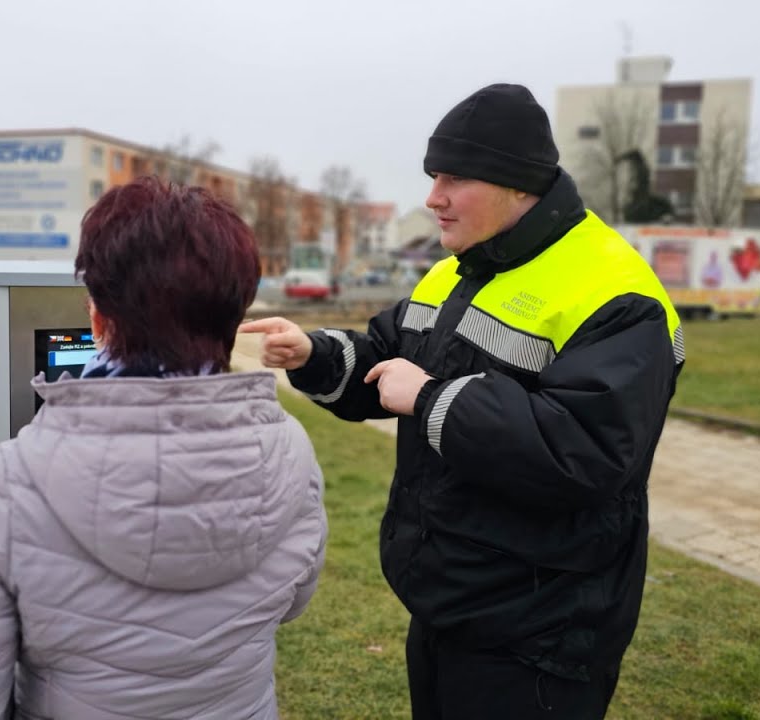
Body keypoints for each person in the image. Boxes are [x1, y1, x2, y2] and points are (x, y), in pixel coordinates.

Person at [242, 84, 684, 719]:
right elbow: (386, 357)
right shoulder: (458, 267)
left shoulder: (616, 294)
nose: (433, 198)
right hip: (451, 607)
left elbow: (584, 451)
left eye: (453, 177)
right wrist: (314, 354)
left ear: (515, 183)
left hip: (541, 633)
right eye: (432, 175)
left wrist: (428, 398)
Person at [0, 177, 327, 720]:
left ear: (98, 319)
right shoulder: (291, 451)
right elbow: (293, 602)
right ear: (234, 320)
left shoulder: (9, 485)